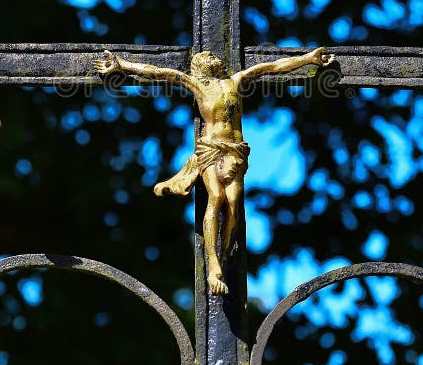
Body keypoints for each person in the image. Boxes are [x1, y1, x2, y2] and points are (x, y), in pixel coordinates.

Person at [94, 47, 337, 295]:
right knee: (217, 198)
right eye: (206, 57)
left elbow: (273, 67)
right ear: (199, 67)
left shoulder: (236, 80)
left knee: (233, 205)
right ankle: (213, 268)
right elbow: (158, 72)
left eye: (213, 56)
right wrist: (121, 64)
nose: (212, 57)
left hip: (236, 151)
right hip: (211, 149)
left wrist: (308, 59)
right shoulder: (196, 85)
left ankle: (223, 258)